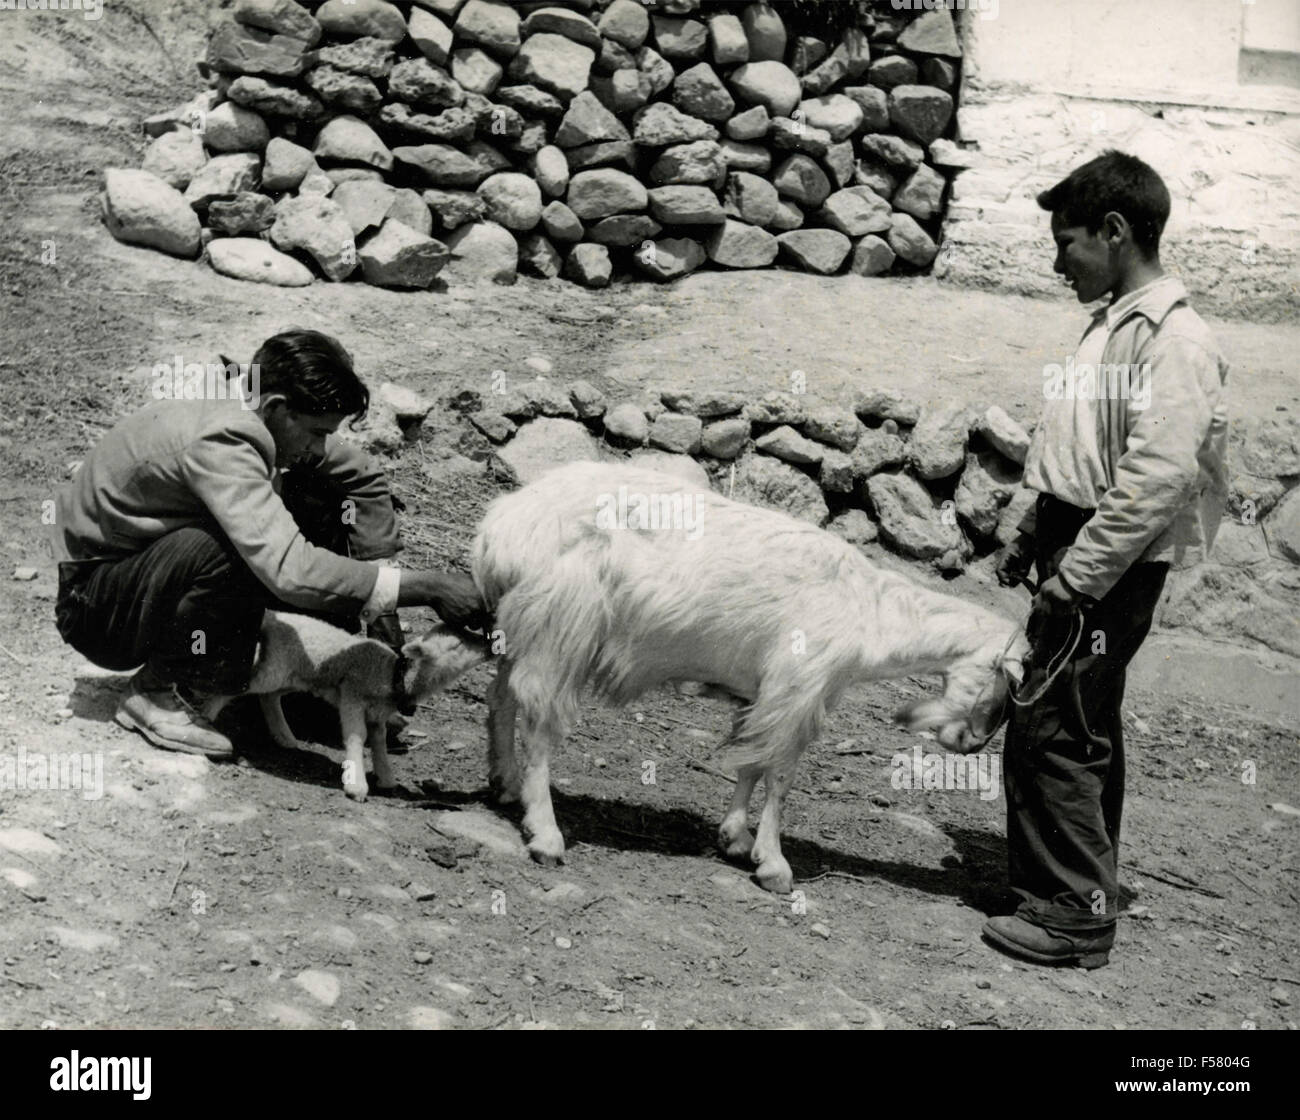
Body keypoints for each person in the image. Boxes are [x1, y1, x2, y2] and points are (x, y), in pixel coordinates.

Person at [986, 150, 1229, 968]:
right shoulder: (1116, 323)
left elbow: (1159, 476)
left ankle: (1073, 917)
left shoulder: (1175, 340)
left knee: (1052, 728)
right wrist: (1032, 532)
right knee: (1082, 723)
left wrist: (1078, 573)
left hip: (1109, 562)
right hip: (1078, 540)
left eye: (1069, 243)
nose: (1059, 263)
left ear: (1115, 232)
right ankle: (1075, 885)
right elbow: (1084, 448)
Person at [53, 329, 489, 760]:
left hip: (146, 576)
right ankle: (155, 691)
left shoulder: (259, 402)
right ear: (279, 408)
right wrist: (426, 587)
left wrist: (382, 603)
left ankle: (303, 678)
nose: (320, 447)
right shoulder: (227, 438)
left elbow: (364, 480)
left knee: (323, 499)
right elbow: (288, 569)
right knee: (234, 550)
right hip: (98, 607)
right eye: (317, 432)